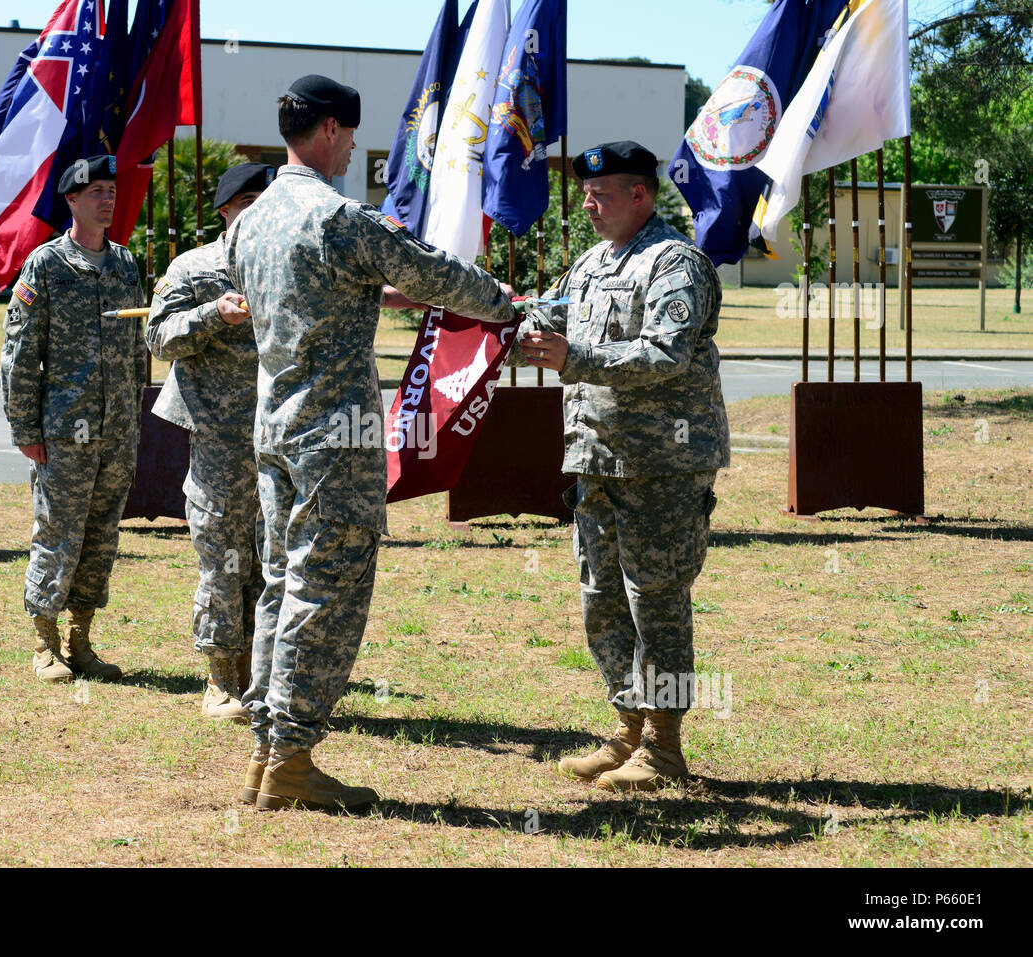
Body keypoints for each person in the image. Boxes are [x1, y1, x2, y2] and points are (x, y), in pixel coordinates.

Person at [226, 74, 516, 812]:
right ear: (327, 130)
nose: (354, 147)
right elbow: (433, 270)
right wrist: (503, 304)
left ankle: (267, 748)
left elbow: (304, 288)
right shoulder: (339, 218)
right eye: (351, 134)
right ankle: (291, 757)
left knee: (281, 586)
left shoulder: (249, 223)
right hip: (334, 438)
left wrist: (377, 292)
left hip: (275, 430)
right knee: (325, 591)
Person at [511, 141, 729, 792]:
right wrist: (499, 317)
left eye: (600, 194)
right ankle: (628, 728)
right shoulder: (590, 263)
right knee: (603, 601)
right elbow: (551, 313)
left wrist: (571, 357)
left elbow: (665, 354)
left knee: (656, 601)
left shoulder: (675, 263)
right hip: (598, 458)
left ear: (641, 195)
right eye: (584, 193)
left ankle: (664, 745)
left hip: (661, 462)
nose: (587, 203)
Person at [1, 155, 146, 684]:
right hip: (65, 429)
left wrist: (135, 415)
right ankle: (45, 641)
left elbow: (137, 351)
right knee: (58, 531)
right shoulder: (46, 265)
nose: (108, 199)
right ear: (72, 200)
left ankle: (81, 638)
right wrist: (25, 428)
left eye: (112, 190)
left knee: (101, 534)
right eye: (97, 192)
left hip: (117, 429)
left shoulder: (127, 264)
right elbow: (19, 352)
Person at [145, 161, 276, 721]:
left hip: (277, 434)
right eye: (246, 203)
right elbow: (157, 336)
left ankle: (264, 674)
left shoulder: (284, 264)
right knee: (223, 556)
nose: (256, 214)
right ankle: (222, 679)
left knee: (272, 559)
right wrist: (210, 315)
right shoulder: (194, 267)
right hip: (220, 438)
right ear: (225, 211)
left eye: (263, 204)